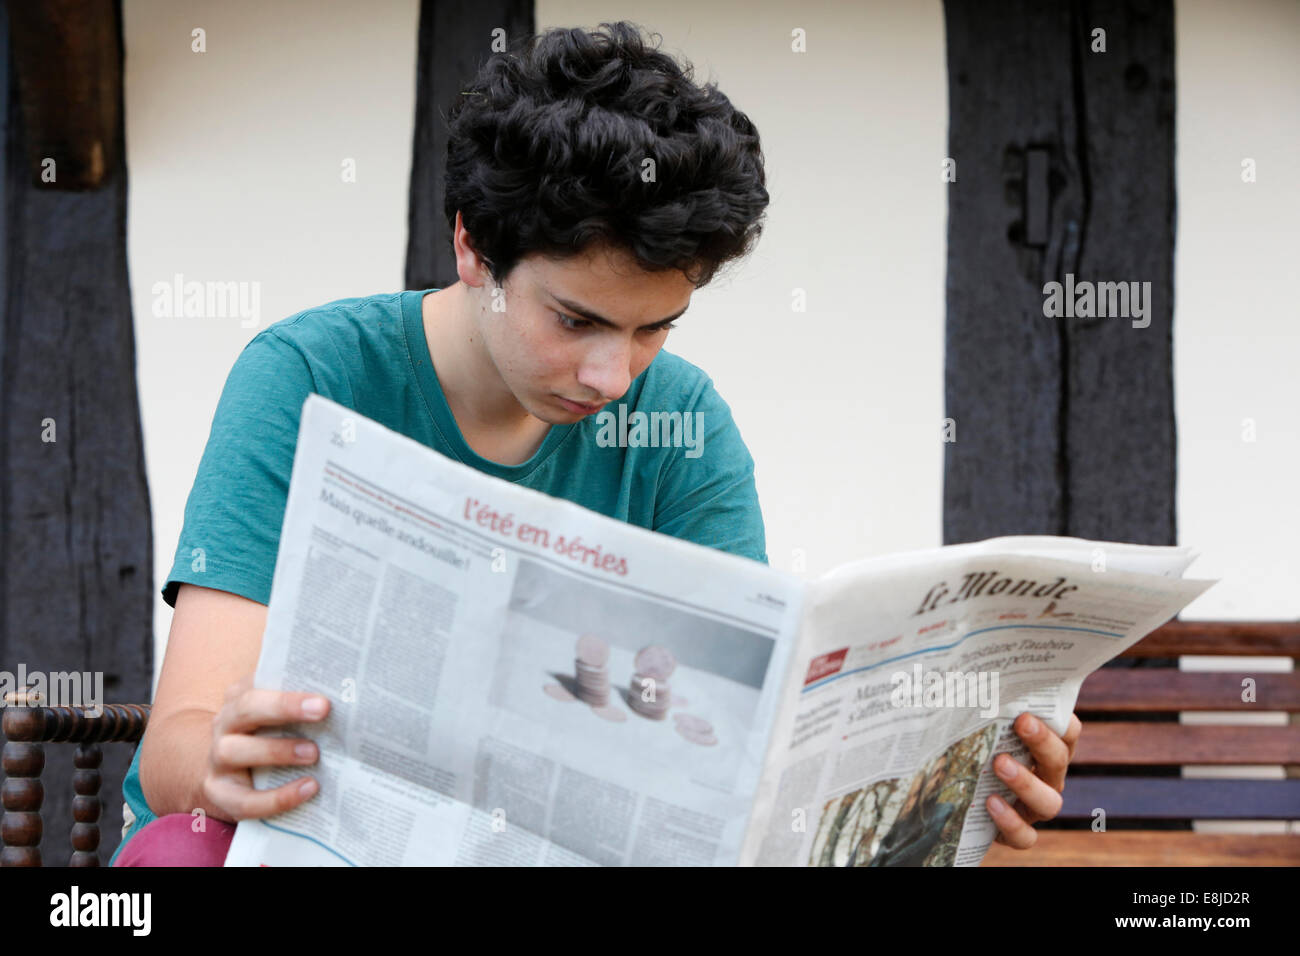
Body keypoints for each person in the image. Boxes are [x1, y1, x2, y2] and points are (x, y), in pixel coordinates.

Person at [112, 20, 1080, 867]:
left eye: (655, 327)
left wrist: (957, 783)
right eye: (573, 319)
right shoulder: (310, 371)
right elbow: (174, 750)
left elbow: (723, 755)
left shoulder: (683, 421)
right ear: (471, 249)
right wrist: (225, 759)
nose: (612, 377)